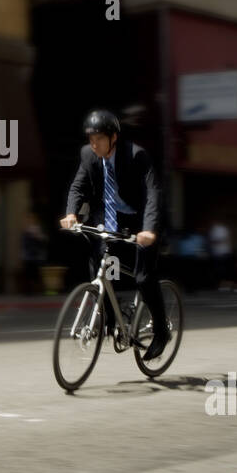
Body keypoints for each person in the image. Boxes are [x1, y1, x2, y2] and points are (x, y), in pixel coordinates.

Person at [60, 109, 170, 360]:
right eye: (90, 138)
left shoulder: (136, 156)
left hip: (140, 222)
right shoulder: (88, 155)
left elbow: (153, 193)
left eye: (98, 138)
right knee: (98, 264)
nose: (93, 143)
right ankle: (110, 321)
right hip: (108, 221)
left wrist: (149, 229)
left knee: (143, 278)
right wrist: (71, 214)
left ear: (113, 138)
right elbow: (78, 186)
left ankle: (161, 332)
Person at [20, 212, 48, 295]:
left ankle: (37, 291)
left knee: (36, 275)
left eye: (31, 218)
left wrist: (37, 237)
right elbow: (24, 244)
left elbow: (43, 241)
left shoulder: (37, 229)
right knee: (28, 274)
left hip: (36, 256)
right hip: (28, 256)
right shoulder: (25, 230)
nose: (30, 220)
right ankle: (28, 291)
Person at [208, 219, 234, 291]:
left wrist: (230, 249)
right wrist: (221, 241)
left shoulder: (224, 229)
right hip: (217, 253)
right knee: (218, 270)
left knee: (224, 270)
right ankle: (218, 285)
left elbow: (228, 239)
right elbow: (212, 241)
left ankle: (223, 285)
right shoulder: (213, 229)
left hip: (224, 252)